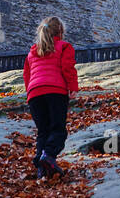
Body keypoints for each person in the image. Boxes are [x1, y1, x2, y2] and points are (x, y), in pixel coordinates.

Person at [23, 16, 79, 179]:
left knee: (43, 132)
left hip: (35, 94)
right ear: (60, 32)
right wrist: (72, 88)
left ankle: (42, 168)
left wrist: (30, 93)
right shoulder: (64, 46)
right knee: (58, 130)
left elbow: (27, 75)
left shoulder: (33, 51)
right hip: (55, 92)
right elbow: (67, 68)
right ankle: (48, 156)